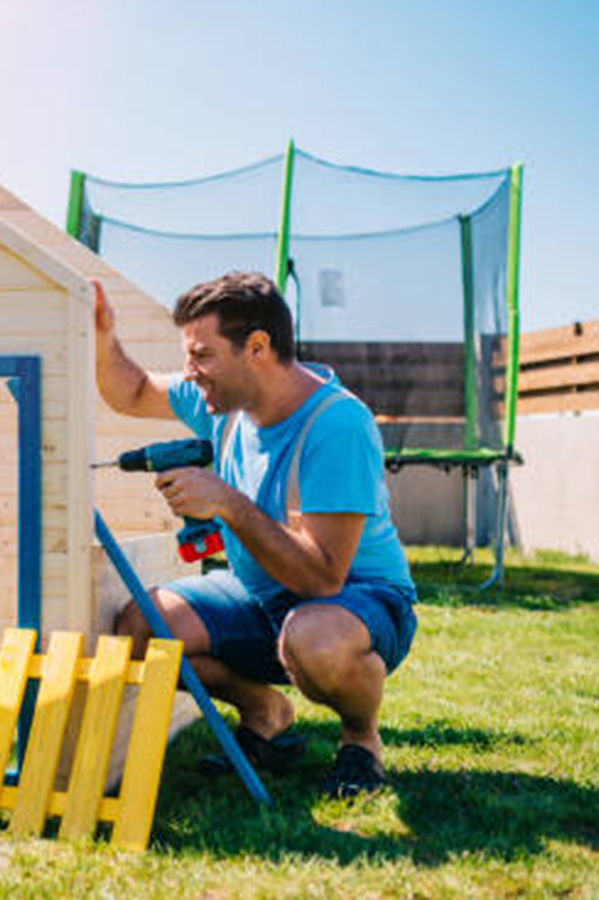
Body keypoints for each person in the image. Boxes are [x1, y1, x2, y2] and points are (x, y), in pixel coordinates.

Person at [94, 271, 417, 798]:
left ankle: (361, 740)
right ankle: (263, 709)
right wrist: (103, 337)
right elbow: (129, 391)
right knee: (143, 627)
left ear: (258, 348)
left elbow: (320, 577)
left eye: (202, 355)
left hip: (358, 601)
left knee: (313, 640)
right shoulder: (222, 403)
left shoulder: (337, 425)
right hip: (261, 592)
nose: (190, 372)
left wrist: (226, 501)